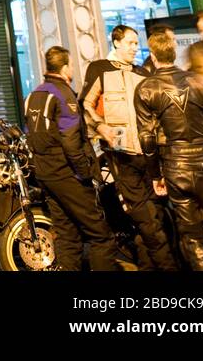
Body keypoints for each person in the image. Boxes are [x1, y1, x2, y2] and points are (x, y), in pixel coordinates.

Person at [134, 26, 203, 270]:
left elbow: (147, 138)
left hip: (175, 168)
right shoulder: (199, 81)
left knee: (193, 238)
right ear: (174, 53)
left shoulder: (145, 88)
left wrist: (155, 176)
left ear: (153, 56)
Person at [81, 25, 178, 270]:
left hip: (148, 155)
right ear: (116, 42)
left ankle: (149, 266)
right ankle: (168, 267)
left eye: (137, 43)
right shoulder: (99, 68)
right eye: (130, 43)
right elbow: (85, 104)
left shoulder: (143, 73)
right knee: (147, 220)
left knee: (153, 217)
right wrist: (102, 128)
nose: (135, 48)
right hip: (120, 156)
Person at [24, 45, 119, 272]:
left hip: (46, 175)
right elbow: (70, 141)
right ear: (65, 68)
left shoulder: (34, 93)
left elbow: (30, 135)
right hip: (67, 174)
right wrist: (85, 173)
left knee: (67, 235)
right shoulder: (63, 94)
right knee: (101, 236)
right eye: (72, 65)